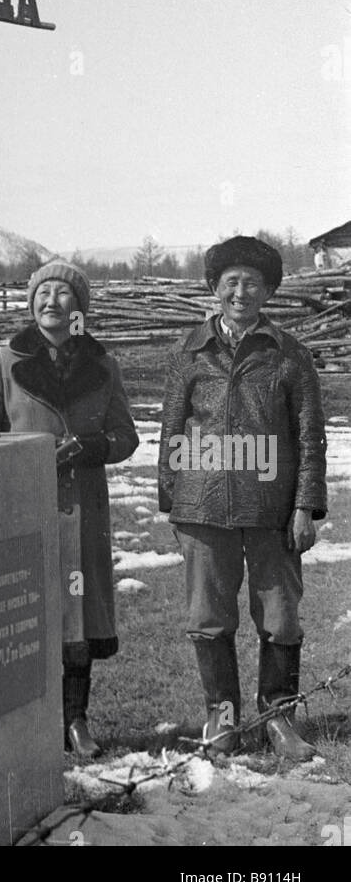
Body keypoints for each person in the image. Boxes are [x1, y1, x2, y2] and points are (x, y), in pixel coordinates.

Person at [158, 236, 327, 760]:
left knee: (281, 617)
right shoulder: (189, 352)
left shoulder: (289, 355)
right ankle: (223, 721)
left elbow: (309, 437)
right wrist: (175, 501)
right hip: (203, 507)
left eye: (252, 283)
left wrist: (305, 506)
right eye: (230, 281)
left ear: (269, 290)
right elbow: (171, 430)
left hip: (272, 510)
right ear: (215, 288)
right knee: (209, 616)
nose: (241, 291)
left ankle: (278, 723)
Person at [0, 260, 139, 759]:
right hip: (26, 506)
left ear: (79, 308)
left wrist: (92, 446)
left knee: (78, 612)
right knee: (25, 606)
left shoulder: (103, 365)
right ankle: (29, 719)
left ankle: (76, 720)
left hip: (83, 510)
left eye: (64, 293)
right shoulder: (5, 359)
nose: (51, 302)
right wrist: (24, 459)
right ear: (31, 302)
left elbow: (126, 435)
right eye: (43, 293)